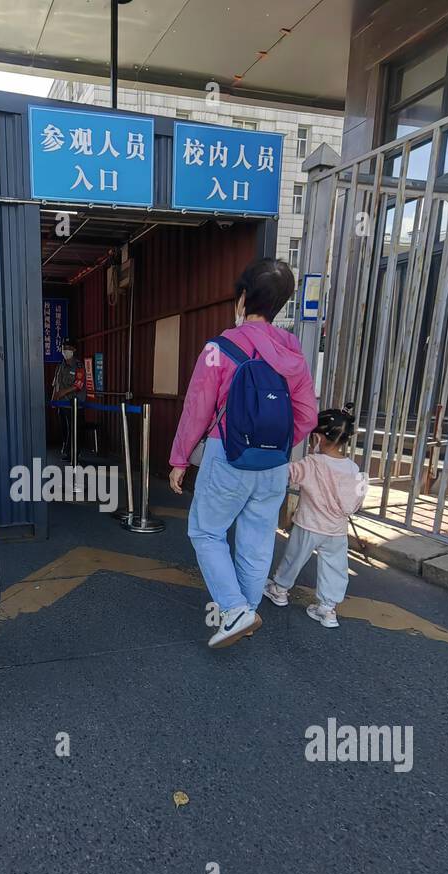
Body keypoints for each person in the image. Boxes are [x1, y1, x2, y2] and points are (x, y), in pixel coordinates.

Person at [169, 258, 318, 648]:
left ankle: (235, 610)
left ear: (242, 299)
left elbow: (197, 406)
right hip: (274, 462)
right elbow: (306, 415)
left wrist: (180, 458)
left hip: (228, 454)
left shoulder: (220, 348)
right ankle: (248, 611)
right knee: (256, 538)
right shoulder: (293, 353)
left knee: (205, 530)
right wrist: (277, 446)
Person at [264, 406, 368, 628]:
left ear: (317, 438)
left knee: (294, 558)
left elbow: (286, 475)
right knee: (334, 567)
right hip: (337, 530)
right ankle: (328, 609)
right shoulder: (354, 469)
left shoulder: (312, 464)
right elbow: (356, 504)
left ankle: (280, 590)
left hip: (308, 525)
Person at [51, 344, 84, 459]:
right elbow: (56, 385)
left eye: (69, 349)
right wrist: (53, 400)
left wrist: (64, 392)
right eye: (64, 349)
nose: (65, 351)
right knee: (64, 427)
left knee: (74, 428)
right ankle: (67, 449)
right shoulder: (60, 366)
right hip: (62, 403)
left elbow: (79, 384)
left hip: (74, 403)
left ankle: (73, 453)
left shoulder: (79, 365)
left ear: (74, 350)